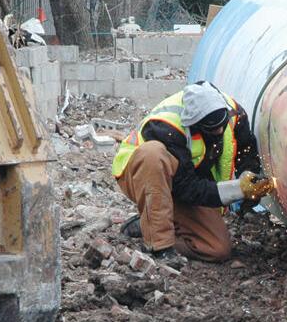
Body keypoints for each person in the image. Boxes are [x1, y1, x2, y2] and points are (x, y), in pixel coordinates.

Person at [111, 81, 275, 266]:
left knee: (217, 249)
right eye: (212, 129)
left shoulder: (234, 113)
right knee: (153, 154)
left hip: (190, 177)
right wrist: (238, 190)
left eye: (222, 125)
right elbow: (186, 188)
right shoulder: (167, 127)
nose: (219, 131)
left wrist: (248, 176)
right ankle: (160, 246)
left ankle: (150, 224)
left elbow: (246, 150)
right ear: (195, 123)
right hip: (140, 176)